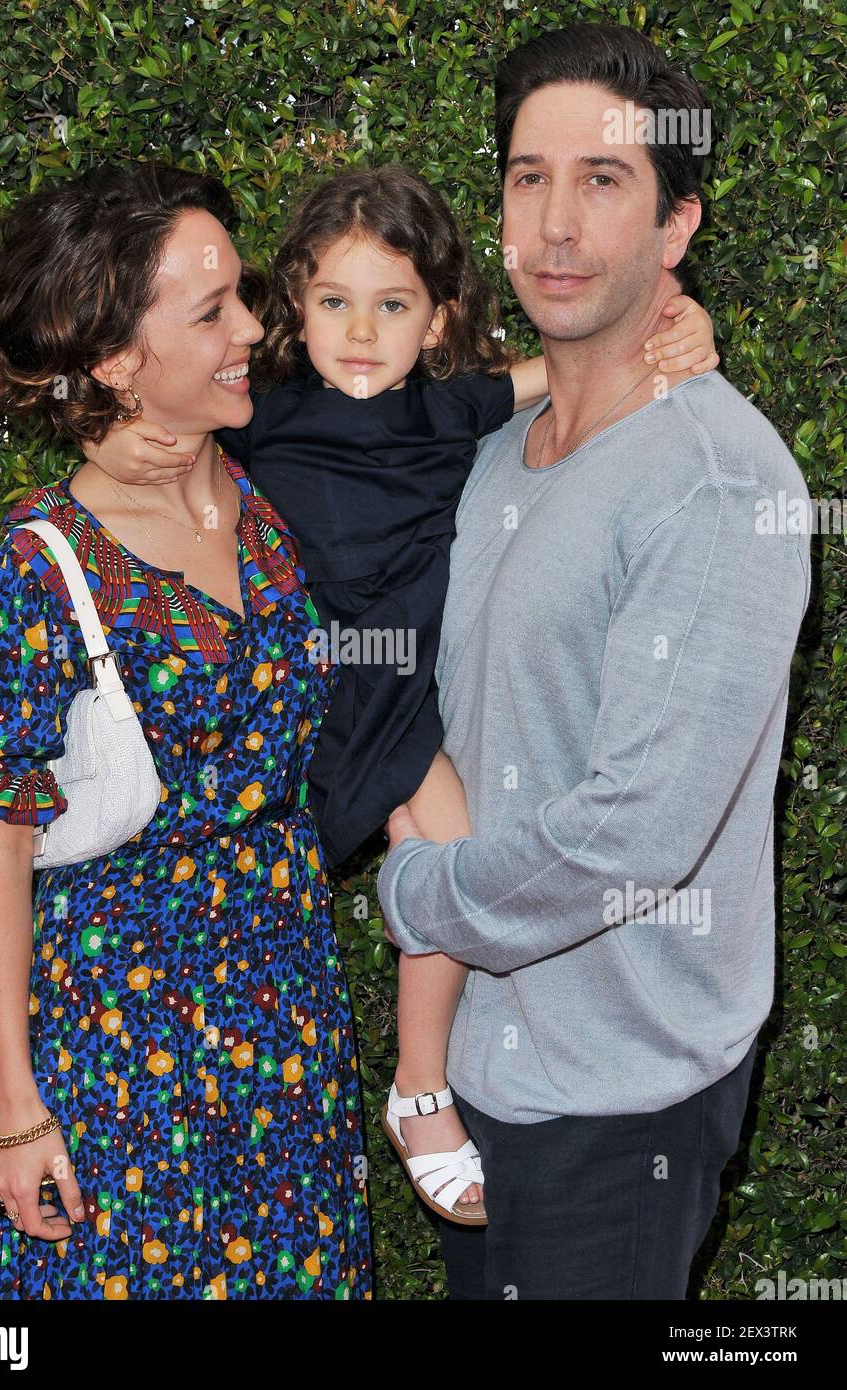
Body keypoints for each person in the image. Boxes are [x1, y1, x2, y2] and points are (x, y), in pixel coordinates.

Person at [79, 163, 717, 1225]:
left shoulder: (450, 406)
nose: (361, 330)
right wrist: (122, 430)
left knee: (452, 845)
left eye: (392, 305)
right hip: (289, 710)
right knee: (239, 912)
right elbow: (148, 423)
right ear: (295, 308)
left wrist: (677, 326)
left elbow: (585, 368)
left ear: (436, 321)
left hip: (401, 703)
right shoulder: (261, 416)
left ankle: (419, 1087)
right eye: (333, 302)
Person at [377, 23, 812, 1299]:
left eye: (604, 181)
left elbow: (632, 838)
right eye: (528, 177)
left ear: (677, 229)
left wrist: (415, 901)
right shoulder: (484, 457)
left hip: (622, 1105)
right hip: (485, 1072)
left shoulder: (721, 488)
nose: (555, 226)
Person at [0, 162, 371, 1299]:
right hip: (123, 1045)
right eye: (211, 311)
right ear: (119, 360)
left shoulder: (267, 476)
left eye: (244, 297)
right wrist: (15, 1112)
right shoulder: (40, 564)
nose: (253, 331)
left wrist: (663, 333)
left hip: (288, 1011)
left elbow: (441, 401)